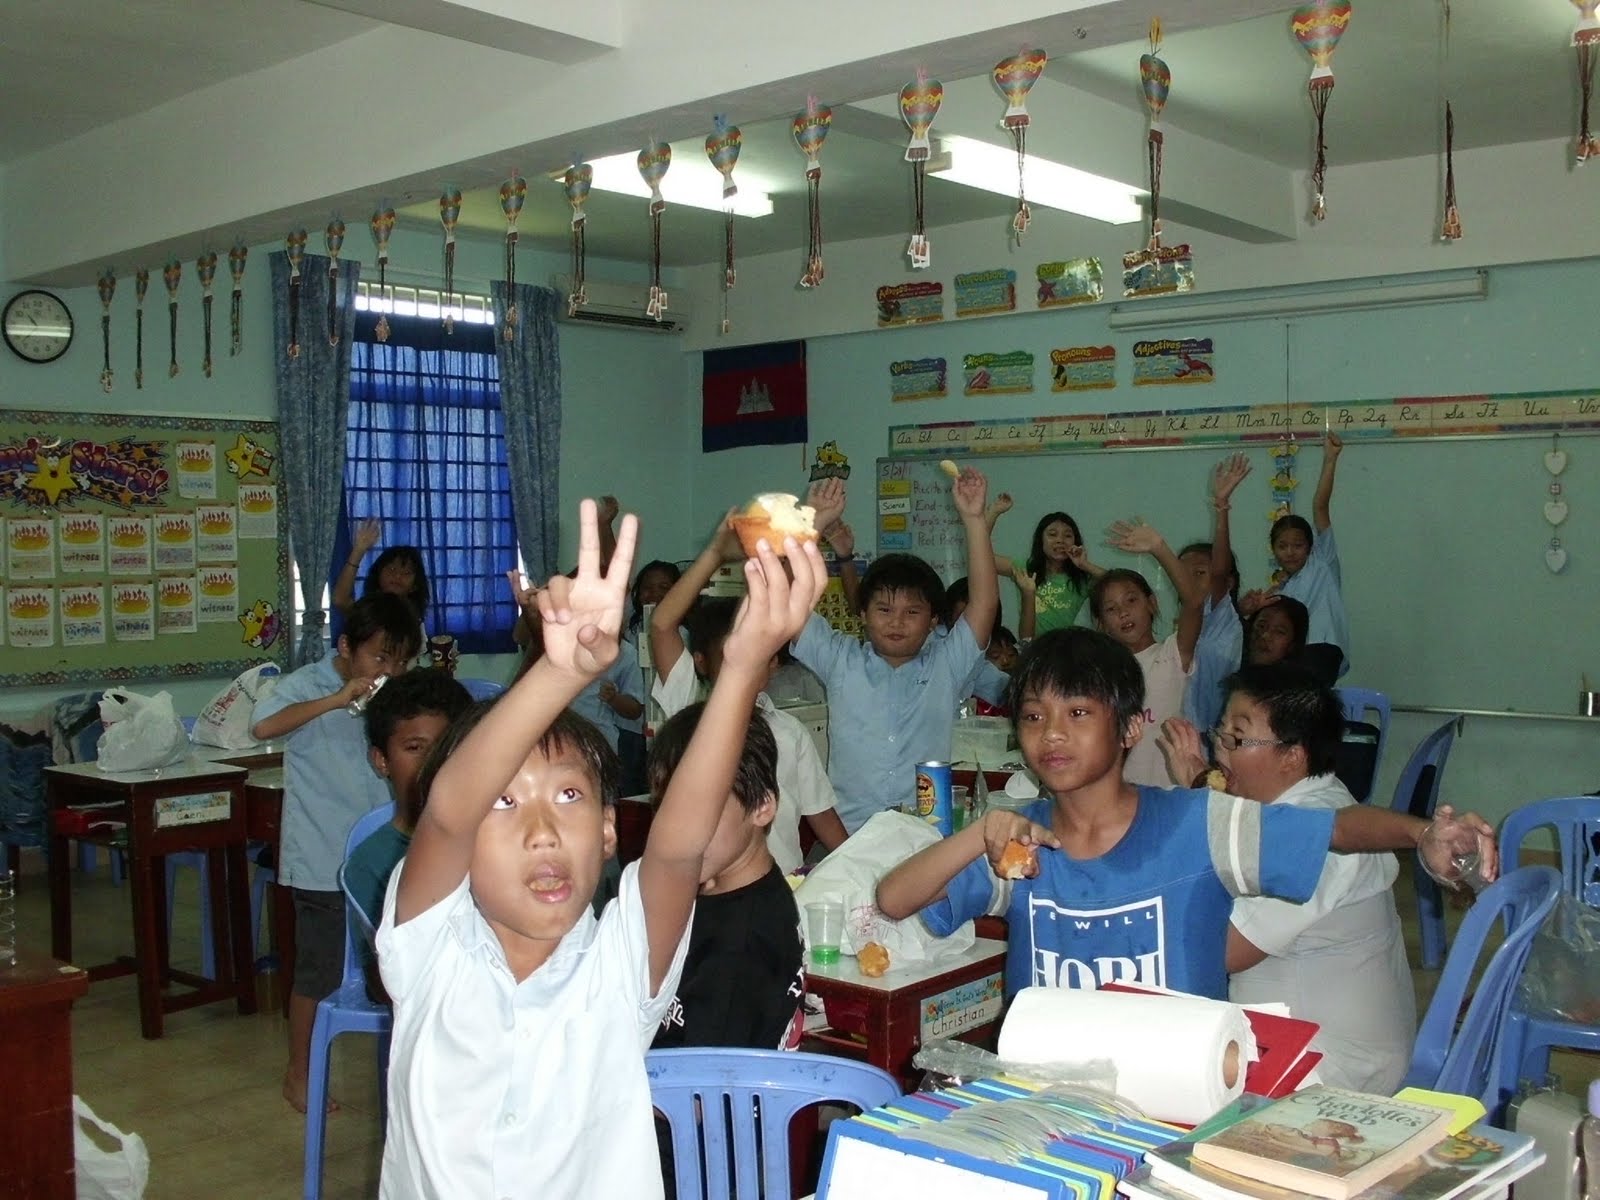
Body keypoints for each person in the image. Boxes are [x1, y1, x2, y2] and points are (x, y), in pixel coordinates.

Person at [374, 500, 827, 1199]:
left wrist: (741, 667)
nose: (543, 832)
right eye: (506, 802)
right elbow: (446, 815)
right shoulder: (429, 949)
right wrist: (561, 673)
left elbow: (677, 852)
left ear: (612, 830)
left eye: (568, 798)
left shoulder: (618, 967)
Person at [875, 627, 1498, 1002]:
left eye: (1079, 714)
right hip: (1047, 1098)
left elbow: (1335, 828)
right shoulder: (1020, 846)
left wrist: (1421, 833)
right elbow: (894, 900)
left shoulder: (1201, 823)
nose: (1052, 736)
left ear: (1131, 728)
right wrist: (982, 831)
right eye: (1034, 717)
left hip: (1174, 1103)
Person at [1158, 664, 1415, 1093]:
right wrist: (1202, 792)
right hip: (1314, 1042)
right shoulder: (1312, 802)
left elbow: (1217, 952)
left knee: (1142, 1061)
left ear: (1292, 756)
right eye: (1221, 732)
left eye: (1237, 739)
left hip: (1327, 1068)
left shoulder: (1313, 832)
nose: (1220, 750)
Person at [249, 592, 420, 1113]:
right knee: (318, 972)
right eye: (380, 657)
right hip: (322, 858)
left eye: (401, 660)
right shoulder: (305, 686)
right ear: (345, 646)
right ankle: (300, 1074)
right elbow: (262, 727)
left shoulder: (394, 693)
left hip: (384, 859)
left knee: (399, 971)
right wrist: (337, 698)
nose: (389, 669)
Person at [792, 469, 998, 833]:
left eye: (912, 612)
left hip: (923, 834)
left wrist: (974, 520)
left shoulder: (946, 666)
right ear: (862, 613)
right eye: (884, 610)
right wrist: (810, 523)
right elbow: (787, 603)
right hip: (847, 837)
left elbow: (983, 604)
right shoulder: (840, 659)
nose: (897, 622)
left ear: (934, 620)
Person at [650, 518, 848, 872]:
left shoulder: (789, 731)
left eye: (760, 655)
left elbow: (823, 817)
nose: (746, 664)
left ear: (773, 664)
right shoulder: (688, 711)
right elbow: (663, 624)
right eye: (730, 655)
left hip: (783, 886)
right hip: (702, 886)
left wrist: (861, 870)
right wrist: (714, 553)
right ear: (701, 663)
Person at [648, 701, 805, 1052]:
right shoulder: (720, 889)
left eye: (701, 809)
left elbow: (708, 1097)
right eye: (664, 807)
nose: (677, 830)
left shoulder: (741, 950)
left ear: (762, 806)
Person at [346, 669, 474, 929]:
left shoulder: (498, 835)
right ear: (382, 761)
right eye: (415, 748)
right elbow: (388, 965)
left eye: (447, 746)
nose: (434, 762)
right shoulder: (372, 865)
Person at [1092, 519, 1204, 787]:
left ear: (1151, 603)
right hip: (1117, 797)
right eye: (1111, 608)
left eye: (1132, 600)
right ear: (1101, 624)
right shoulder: (1101, 671)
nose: (1123, 612)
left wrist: (1159, 548)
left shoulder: (1170, 655)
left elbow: (1194, 601)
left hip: (1167, 792)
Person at [1247, 433, 1349, 675]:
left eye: (1298, 545)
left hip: (1323, 652)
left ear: (1311, 547)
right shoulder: (1282, 591)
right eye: (1282, 546)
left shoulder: (1321, 563)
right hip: (1295, 656)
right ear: (1274, 550)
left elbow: (1320, 505)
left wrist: (1330, 459)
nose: (1290, 552)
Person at [995, 509, 1106, 637]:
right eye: (1052, 534)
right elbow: (981, 558)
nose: (1060, 540)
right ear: (1040, 540)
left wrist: (1084, 565)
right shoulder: (1026, 568)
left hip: (1062, 649)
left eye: (1068, 536)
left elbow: (1117, 581)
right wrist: (993, 513)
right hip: (1031, 648)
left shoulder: (1081, 580)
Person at [333, 518, 429, 627]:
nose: (397, 576)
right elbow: (340, 600)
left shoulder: (413, 619)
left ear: (415, 586)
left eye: (406, 573)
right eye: (391, 569)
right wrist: (359, 549)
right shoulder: (368, 612)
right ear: (378, 574)